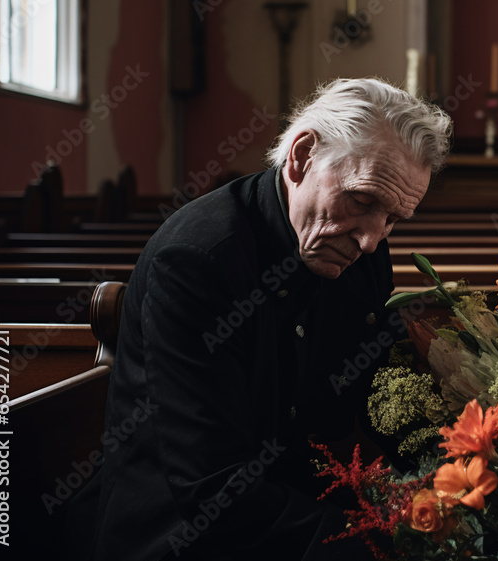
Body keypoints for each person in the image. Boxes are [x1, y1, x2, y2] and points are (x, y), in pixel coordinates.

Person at [66, 78, 452, 560]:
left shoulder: (359, 251)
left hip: (288, 507)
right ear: (302, 156)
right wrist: (372, 543)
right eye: (362, 200)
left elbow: (382, 391)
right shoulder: (197, 261)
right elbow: (210, 485)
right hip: (179, 534)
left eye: (393, 218)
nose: (372, 240)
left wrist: (463, 477)